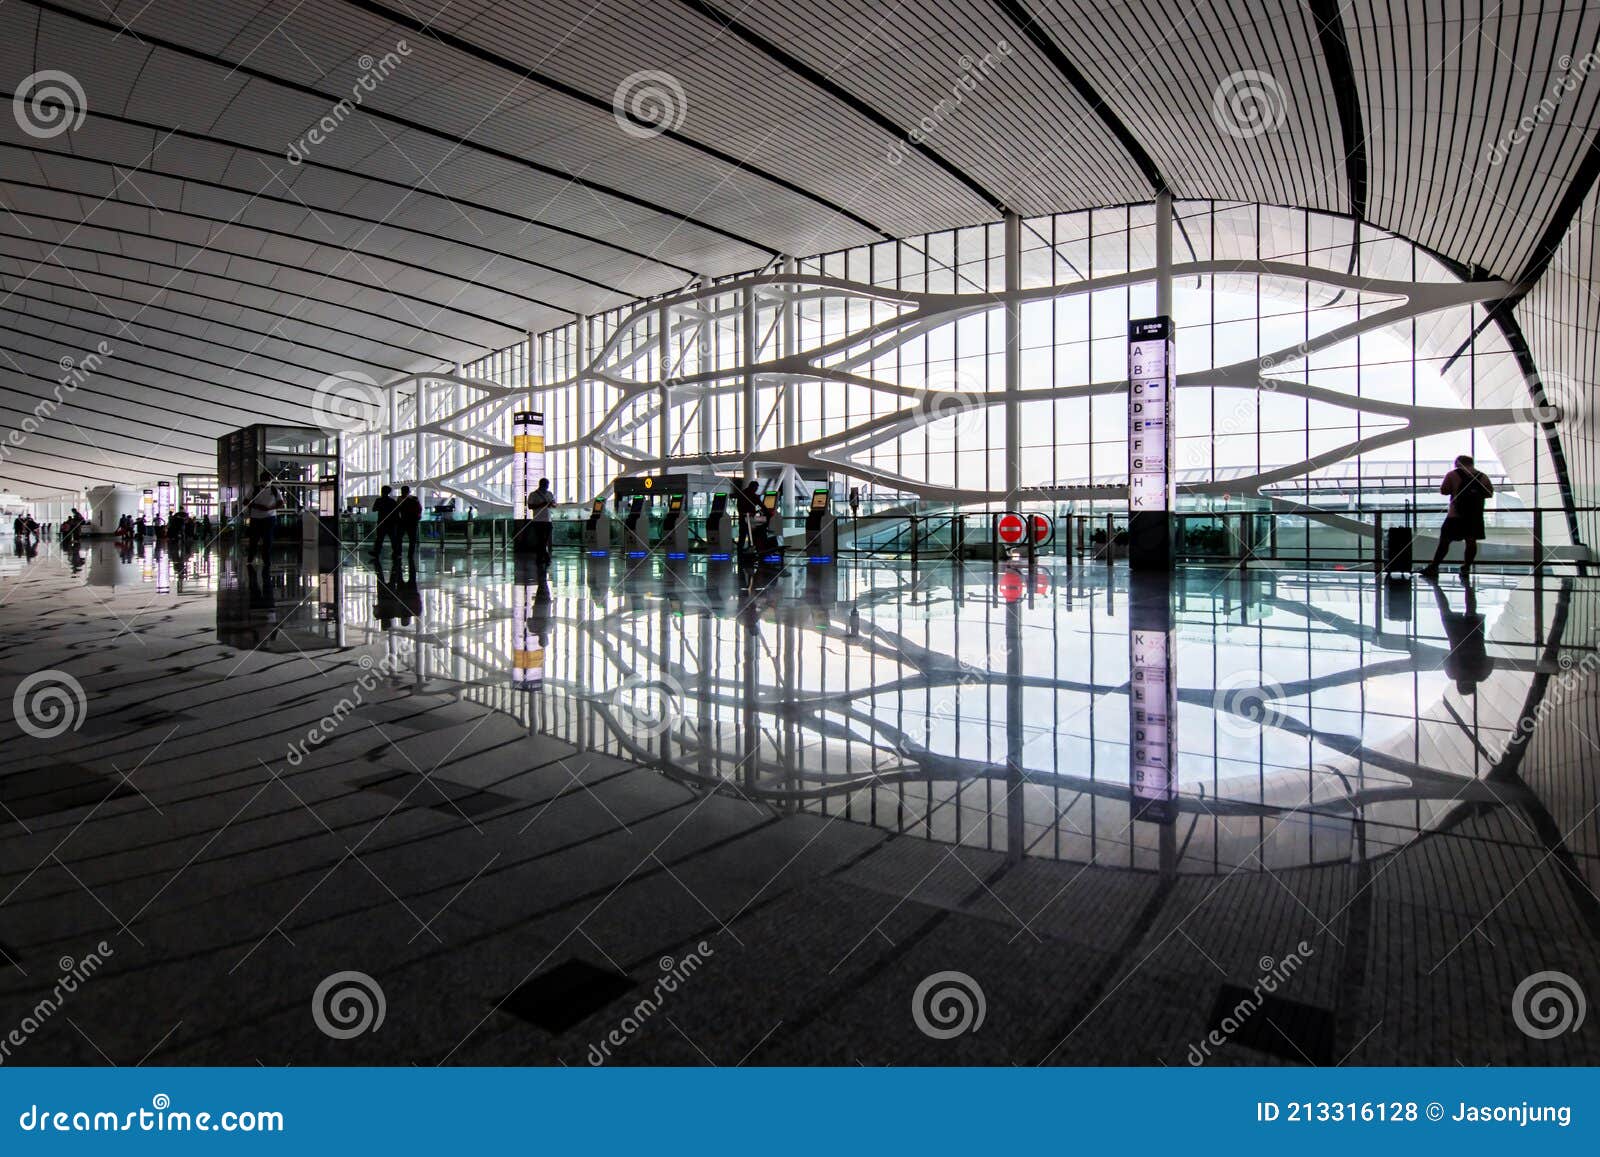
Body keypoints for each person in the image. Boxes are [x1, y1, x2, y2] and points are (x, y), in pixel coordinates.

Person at [1421, 455, 1494, 579]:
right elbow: (1489, 493)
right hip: (1474, 516)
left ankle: (1434, 566)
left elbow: (1444, 490)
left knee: (1445, 541)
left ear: (1458, 463)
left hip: (1455, 514)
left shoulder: (1452, 475)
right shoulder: (1482, 476)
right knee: (1471, 542)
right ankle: (1466, 567)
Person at [246, 471, 283, 563]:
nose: (266, 481)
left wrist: (270, 508)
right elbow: (246, 501)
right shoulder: (254, 489)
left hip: (269, 518)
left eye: (268, 479)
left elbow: (281, 502)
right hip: (256, 518)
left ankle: (266, 558)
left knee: (268, 539)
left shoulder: (274, 490)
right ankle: (251, 558)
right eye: (265, 479)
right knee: (254, 539)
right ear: (261, 480)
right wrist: (258, 507)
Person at [526, 477, 555, 564]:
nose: (547, 486)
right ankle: (545, 557)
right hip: (538, 521)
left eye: (547, 484)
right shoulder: (533, 494)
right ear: (541, 484)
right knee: (540, 540)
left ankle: (541, 557)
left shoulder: (550, 494)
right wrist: (542, 504)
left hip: (548, 520)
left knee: (544, 540)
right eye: (546, 484)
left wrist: (552, 504)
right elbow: (530, 506)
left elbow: (554, 504)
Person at [371, 485, 399, 561]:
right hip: (391, 523)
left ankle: (376, 552)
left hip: (381, 522)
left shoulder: (379, 500)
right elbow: (396, 512)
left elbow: (374, 509)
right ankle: (396, 552)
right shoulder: (392, 501)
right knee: (393, 538)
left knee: (379, 538)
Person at [396, 484, 422, 564]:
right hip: (412, 521)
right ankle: (410, 554)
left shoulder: (400, 499)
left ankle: (398, 553)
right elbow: (419, 509)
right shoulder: (414, 499)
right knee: (412, 539)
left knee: (399, 538)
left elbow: (398, 509)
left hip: (403, 521)